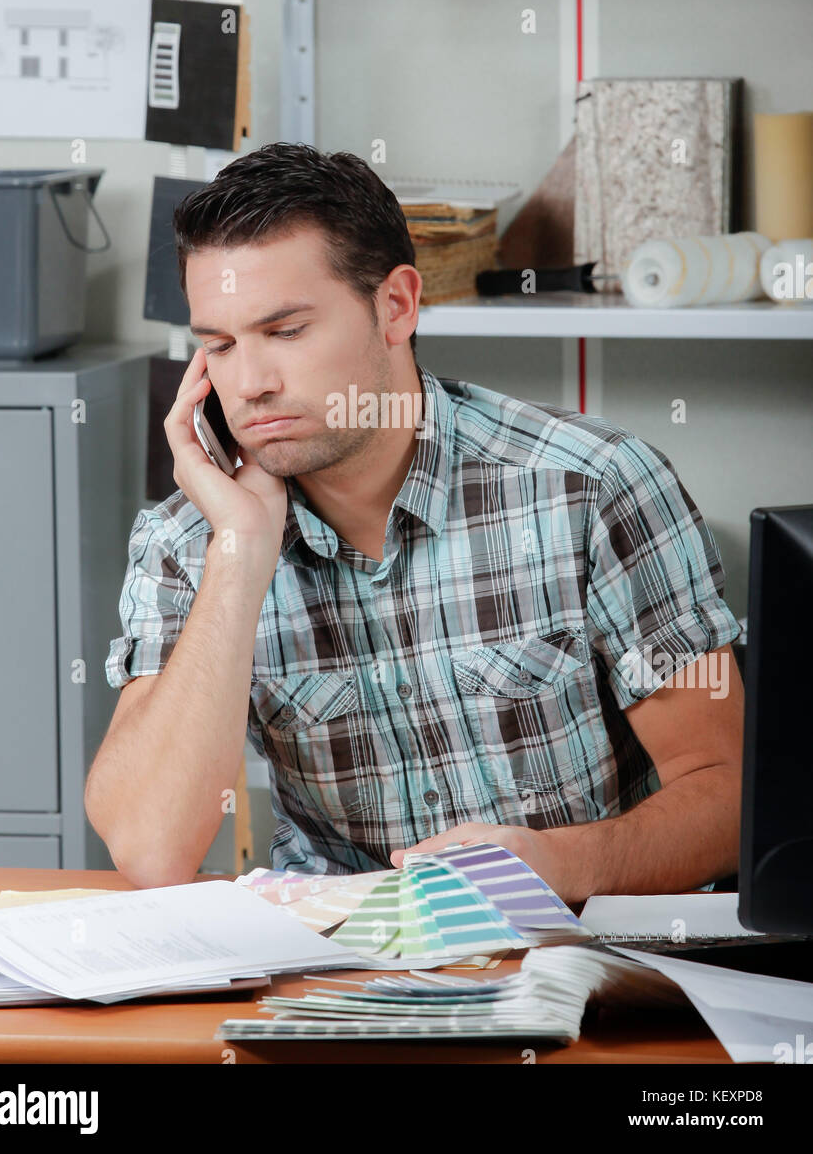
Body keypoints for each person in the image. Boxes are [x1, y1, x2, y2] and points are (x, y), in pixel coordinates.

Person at [86, 142, 744, 902]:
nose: (252, 385)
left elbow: (727, 795)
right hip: (337, 980)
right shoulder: (186, 542)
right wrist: (238, 551)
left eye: (287, 332)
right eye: (221, 347)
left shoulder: (591, 487)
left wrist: (567, 866)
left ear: (395, 305)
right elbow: (148, 848)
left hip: (573, 951)